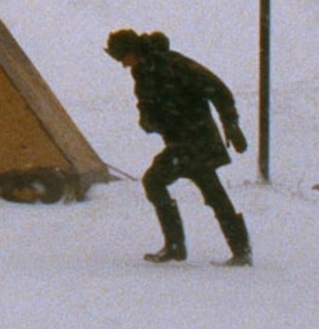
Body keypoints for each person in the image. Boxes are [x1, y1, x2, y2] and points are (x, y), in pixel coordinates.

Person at [106, 29, 251, 266]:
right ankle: (237, 249)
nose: (122, 64)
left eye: (122, 57)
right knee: (211, 192)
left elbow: (216, 88)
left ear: (132, 51)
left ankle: (178, 246)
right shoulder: (142, 72)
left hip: (196, 140)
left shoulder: (172, 64)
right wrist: (148, 121)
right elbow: (147, 106)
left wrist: (231, 124)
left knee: (156, 182)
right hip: (181, 142)